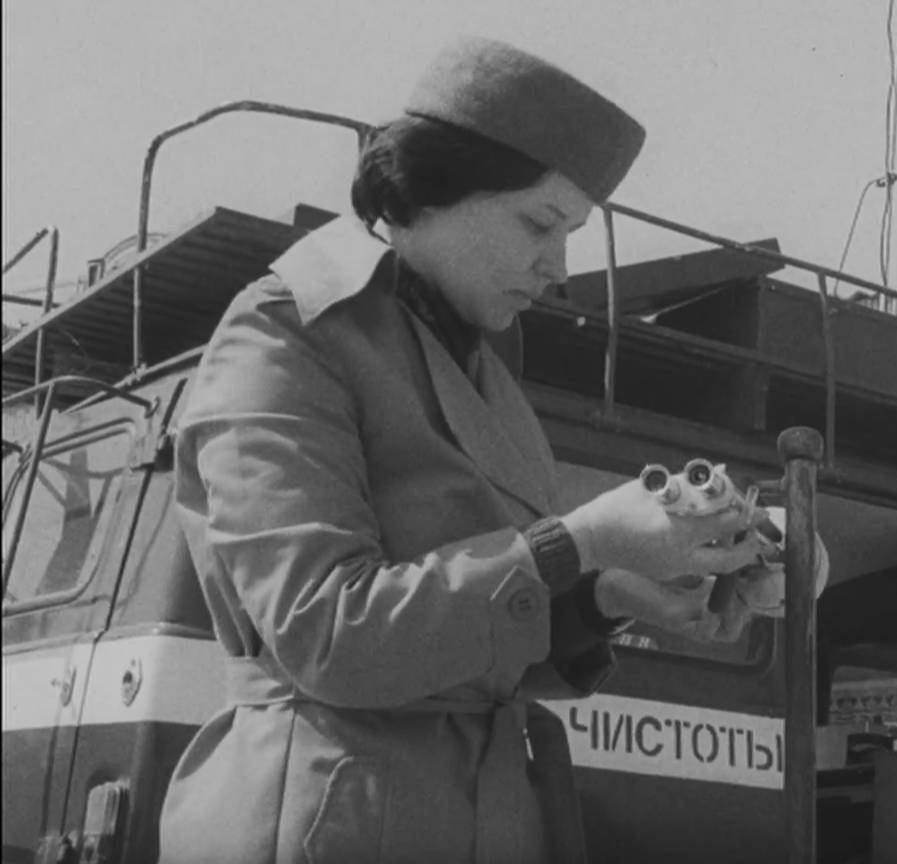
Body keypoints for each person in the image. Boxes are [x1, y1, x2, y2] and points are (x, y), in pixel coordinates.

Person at [160, 36, 767, 864]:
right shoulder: (286, 333)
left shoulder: (480, 364)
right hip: (328, 817)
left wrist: (609, 595)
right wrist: (580, 542)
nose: (557, 266)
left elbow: (476, 654)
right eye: (540, 223)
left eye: (571, 233)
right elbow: (326, 634)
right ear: (432, 188)